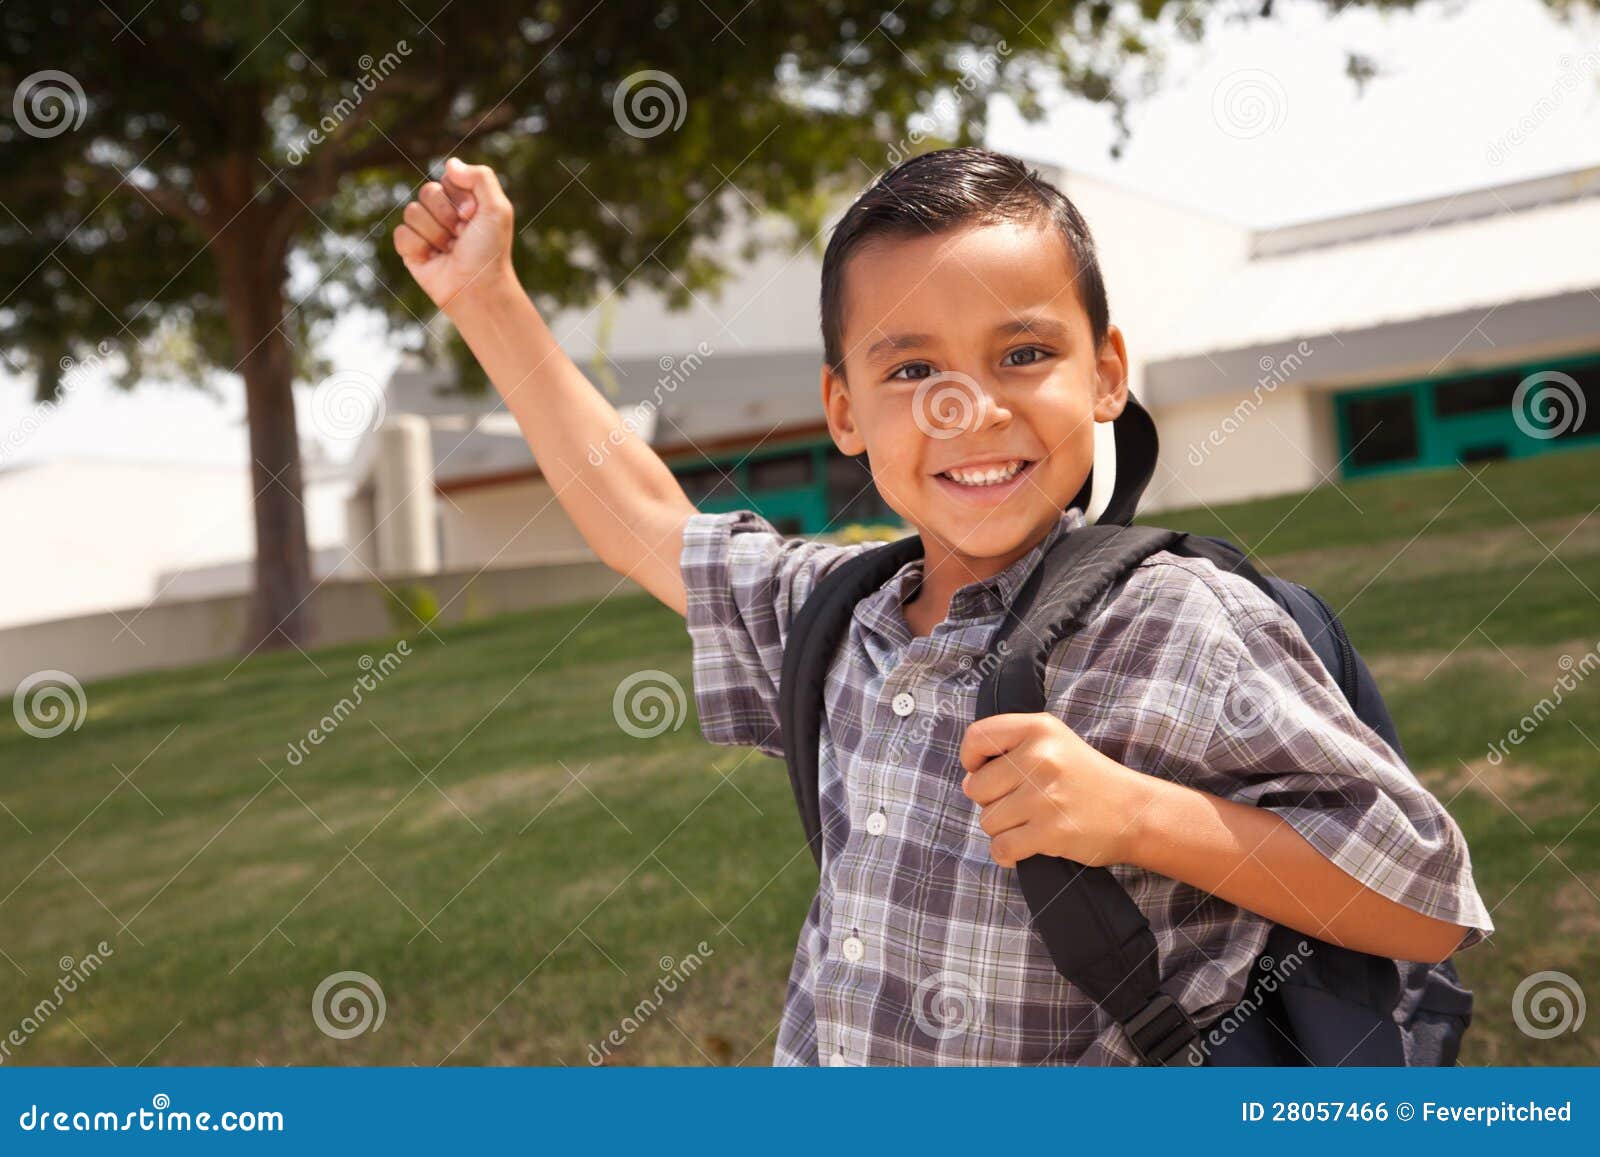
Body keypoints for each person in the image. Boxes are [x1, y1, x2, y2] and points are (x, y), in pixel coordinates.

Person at [394, 146, 1492, 1065]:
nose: (970, 406)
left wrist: (1134, 815)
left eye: (1022, 352)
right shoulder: (835, 611)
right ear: (843, 409)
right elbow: (639, 516)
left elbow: (1424, 895)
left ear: (1106, 373)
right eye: (913, 369)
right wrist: (488, 298)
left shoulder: (1179, 621)